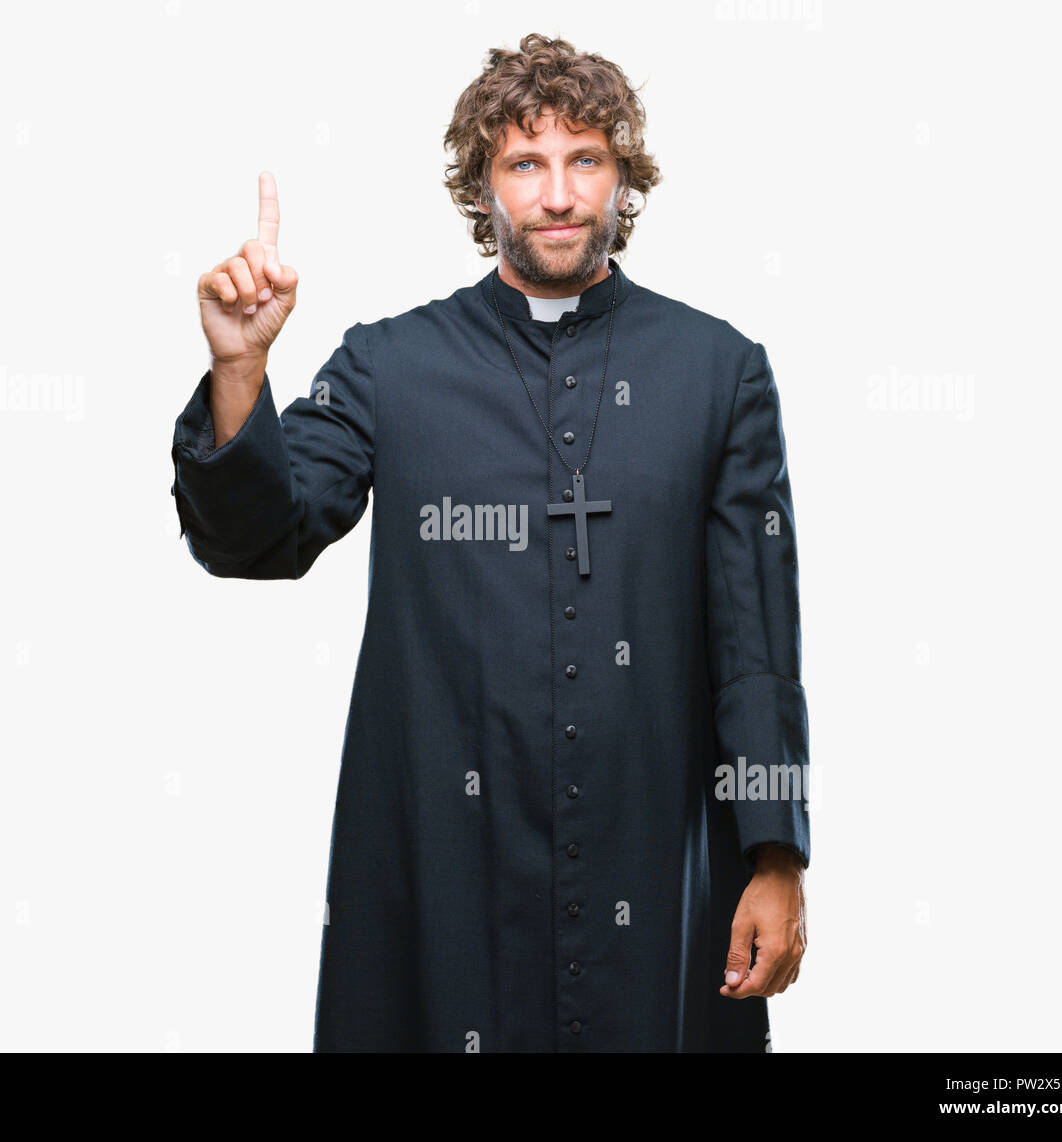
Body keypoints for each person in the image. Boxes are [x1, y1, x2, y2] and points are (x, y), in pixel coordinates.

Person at [170, 32, 809, 1052]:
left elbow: (758, 644)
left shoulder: (718, 370)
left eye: (584, 159)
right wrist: (242, 371)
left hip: (651, 860)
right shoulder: (386, 366)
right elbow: (260, 538)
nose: (558, 194)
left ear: (621, 180)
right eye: (525, 163)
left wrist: (776, 854)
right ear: (482, 189)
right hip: (443, 869)